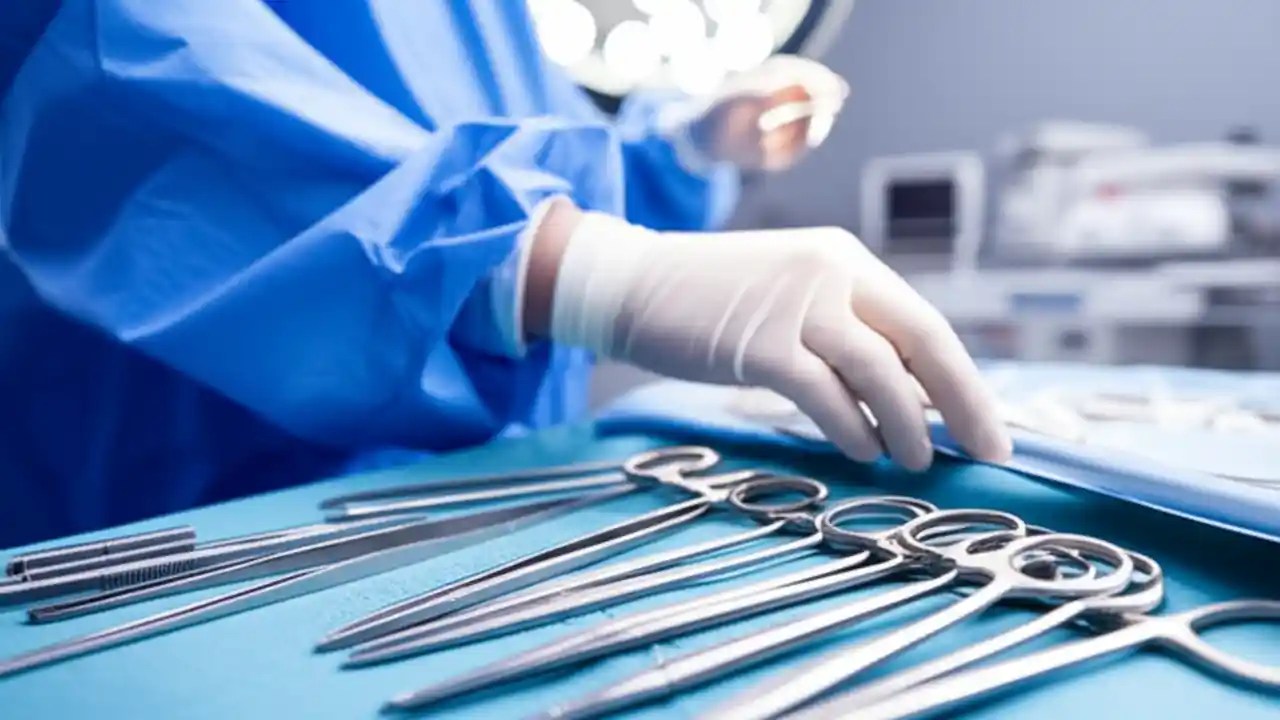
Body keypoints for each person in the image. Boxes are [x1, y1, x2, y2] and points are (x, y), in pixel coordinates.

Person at [0, 0, 1009, 547]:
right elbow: (106, 87)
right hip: (194, 502)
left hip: (492, 484)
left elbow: (507, 152)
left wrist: (683, 152)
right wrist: (579, 269)